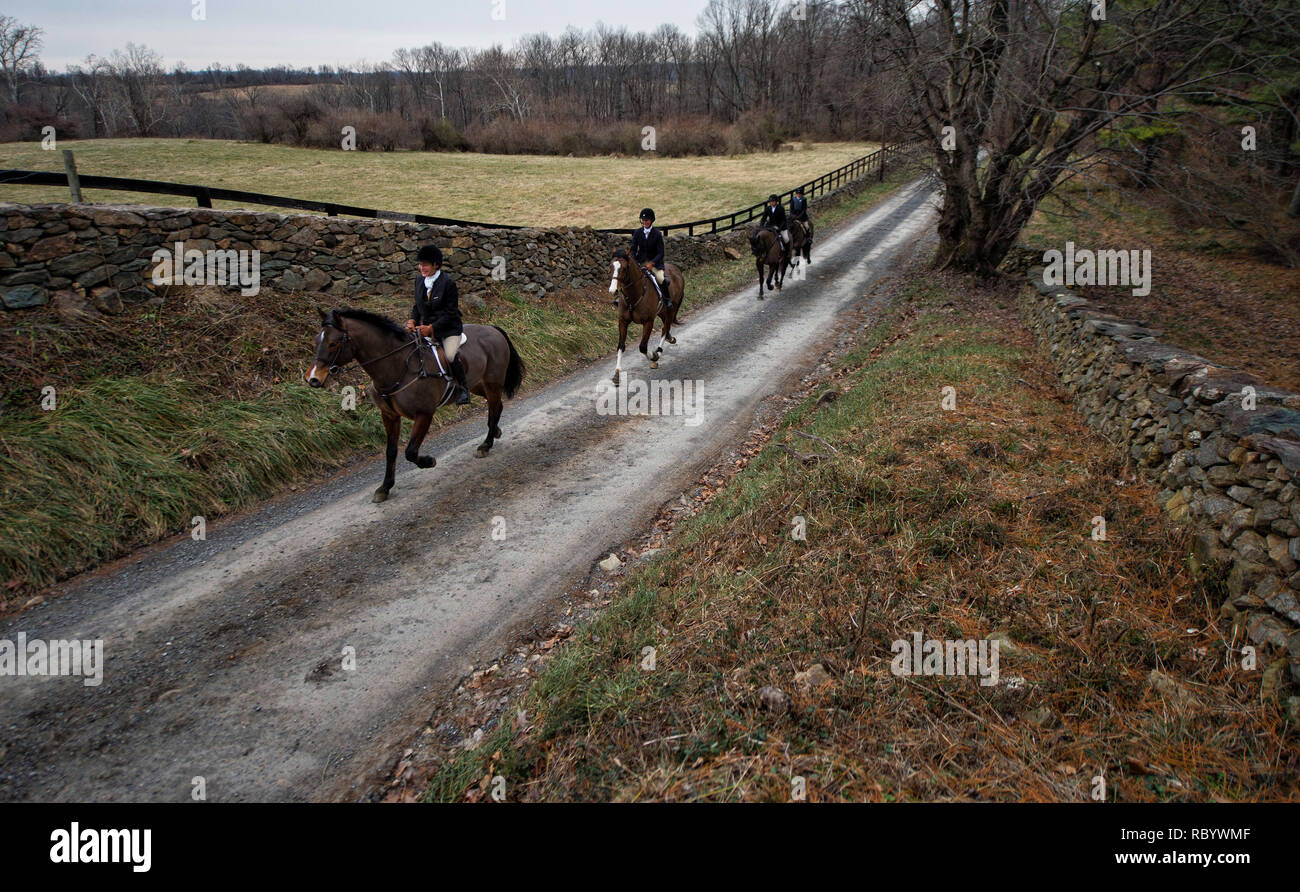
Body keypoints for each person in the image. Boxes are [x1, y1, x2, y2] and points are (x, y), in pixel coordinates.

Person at [405, 244, 470, 405]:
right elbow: (417, 305)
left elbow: (451, 313)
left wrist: (432, 328)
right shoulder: (419, 279)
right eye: (420, 264)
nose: (421, 268)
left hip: (449, 329)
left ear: (436, 265)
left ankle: (463, 389)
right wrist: (412, 320)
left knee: (449, 355)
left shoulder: (447, 283)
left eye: (425, 264)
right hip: (425, 327)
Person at [629, 207, 671, 310]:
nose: (644, 222)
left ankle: (667, 300)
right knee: (629, 277)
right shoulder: (637, 233)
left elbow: (660, 252)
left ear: (651, 220)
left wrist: (652, 263)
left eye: (646, 220)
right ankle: (626, 301)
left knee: (660, 278)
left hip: (655, 263)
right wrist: (634, 261)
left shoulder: (657, 234)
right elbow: (633, 250)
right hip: (640, 261)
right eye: (643, 220)